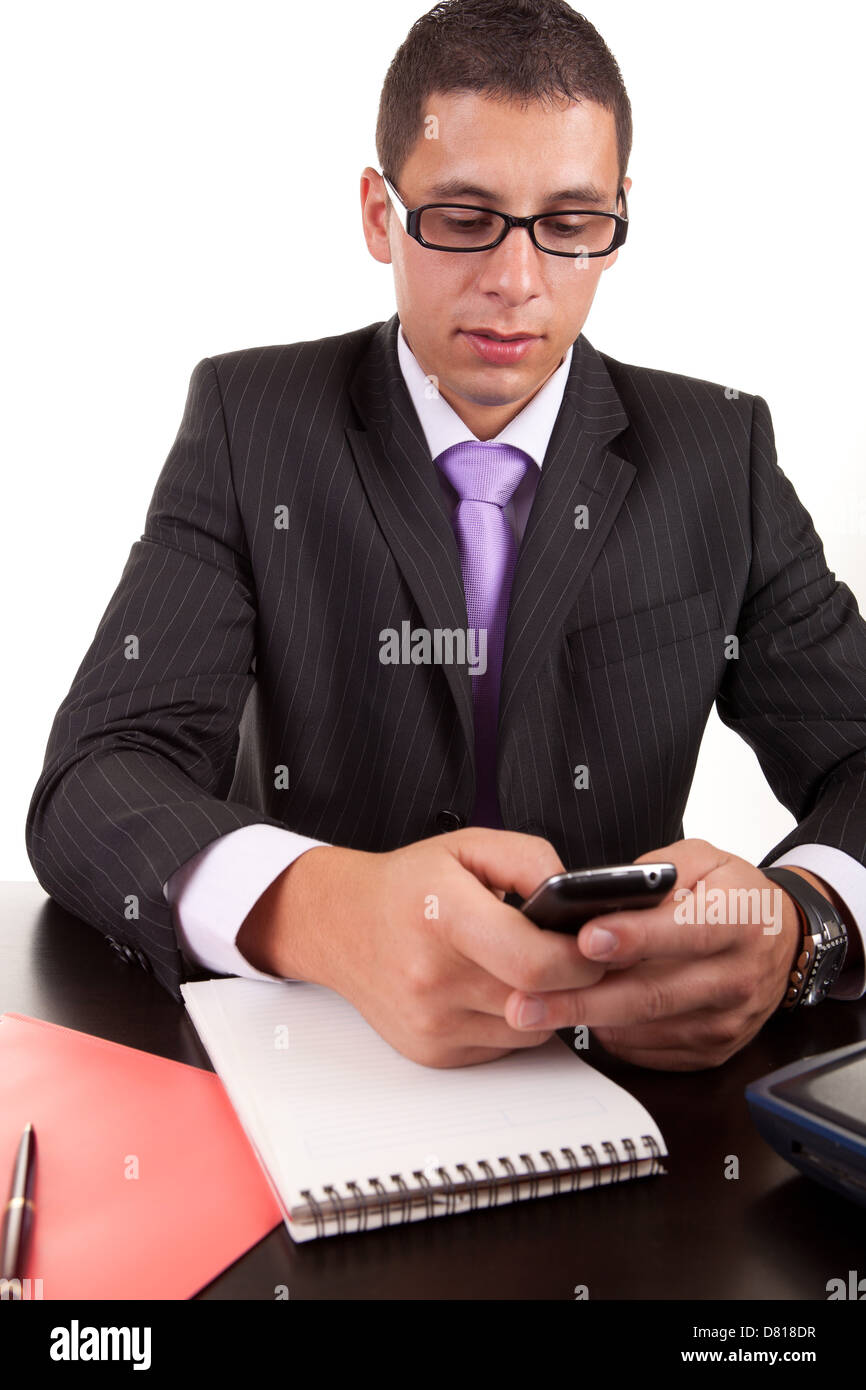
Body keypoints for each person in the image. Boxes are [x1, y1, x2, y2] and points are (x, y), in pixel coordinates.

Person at [26, 0, 866, 1071]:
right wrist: (321, 910)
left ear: (615, 219)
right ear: (379, 215)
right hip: (318, 1061)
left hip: (630, 1088)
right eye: (464, 218)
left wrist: (802, 922)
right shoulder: (252, 422)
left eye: (567, 225)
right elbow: (96, 775)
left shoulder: (719, 449)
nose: (516, 281)